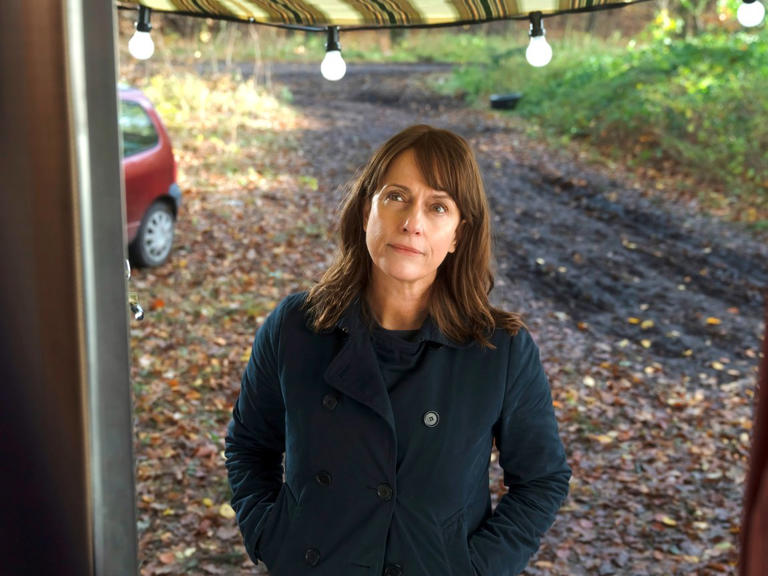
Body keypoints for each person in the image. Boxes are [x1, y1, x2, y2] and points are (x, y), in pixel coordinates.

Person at [225, 124, 571, 576]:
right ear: (365, 209)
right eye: (396, 197)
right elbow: (249, 445)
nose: (412, 222)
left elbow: (542, 480)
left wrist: (475, 569)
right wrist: (270, 537)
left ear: (458, 234)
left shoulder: (499, 351)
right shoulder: (296, 327)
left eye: (438, 206)